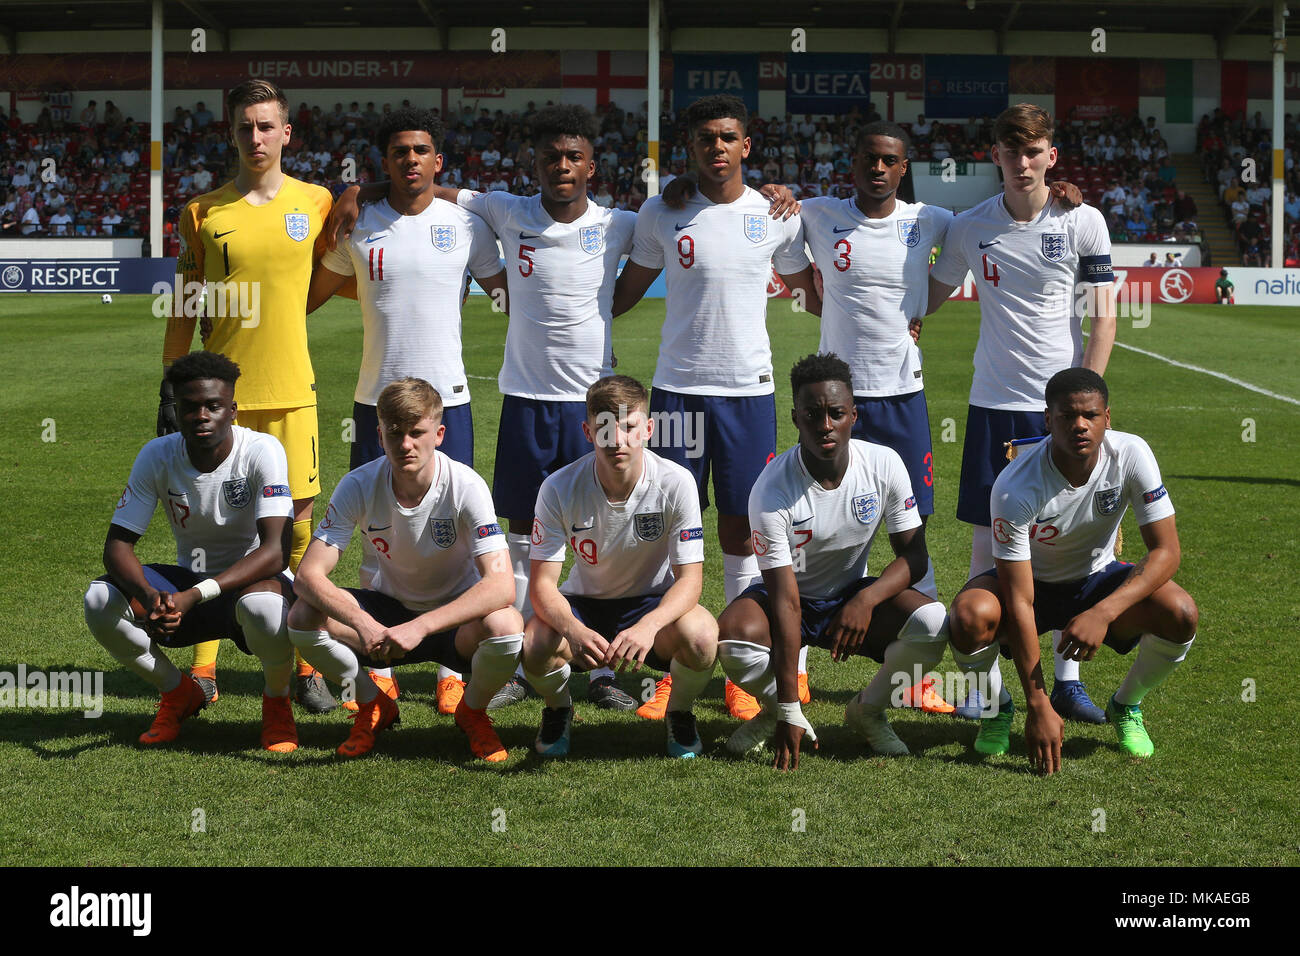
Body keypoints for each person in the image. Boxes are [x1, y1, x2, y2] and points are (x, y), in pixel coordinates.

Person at [331, 105, 644, 713]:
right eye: (551, 156)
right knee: (526, 536)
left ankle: (598, 665)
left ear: (591, 166)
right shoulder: (504, 209)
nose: (562, 166)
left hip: (593, 402)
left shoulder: (620, 224)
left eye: (573, 157)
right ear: (535, 163)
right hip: (527, 400)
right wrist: (358, 187)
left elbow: (676, 214)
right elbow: (422, 182)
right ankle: (529, 659)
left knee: (597, 538)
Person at [612, 94, 821, 721]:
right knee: (674, 524)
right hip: (676, 389)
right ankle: (670, 669)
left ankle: (741, 662)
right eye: (705, 138)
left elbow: (811, 289)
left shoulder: (776, 214)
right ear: (692, 148)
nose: (717, 147)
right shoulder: (662, 211)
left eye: (728, 137)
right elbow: (620, 295)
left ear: (746, 146)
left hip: (748, 392)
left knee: (743, 525)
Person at [306, 107, 509, 712]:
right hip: (376, 401)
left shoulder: (466, 225)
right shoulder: (361, 222)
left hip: (449, 402)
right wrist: (343, 206)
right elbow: (308, 296)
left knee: (454, 533)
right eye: (399, 152)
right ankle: (382, 660)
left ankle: (452, 667)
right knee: (377, 533)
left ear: (437, 161)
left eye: (421, 150)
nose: (411, 160)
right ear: (385, 162)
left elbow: (504, 290)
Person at [926, 102, 1116, 725]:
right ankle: (989, 691)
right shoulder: (968, 225)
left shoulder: (1084, 221)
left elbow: (1103, 315)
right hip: (993, 404)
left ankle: (1068, 679)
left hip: (1059, 412)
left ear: (1051, 156)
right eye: (1013, 151)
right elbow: (931, 290)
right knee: (988, 546)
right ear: (997, 156)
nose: (1024, 161)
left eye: (1035, 151)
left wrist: (1088, 395)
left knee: (1071, 546)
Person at [163, 78, 337, 714]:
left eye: (267, 126)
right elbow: (184, 303)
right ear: (231, 132)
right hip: (220, 397)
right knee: (216, 522)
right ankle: (205, 663)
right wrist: (172, 381)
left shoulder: (316, 202)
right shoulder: (204, 212)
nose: (256, 137)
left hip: (293, 393)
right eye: (245, 127)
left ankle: (302, 656)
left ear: (286, 132)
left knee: (294, 525)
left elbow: (338, 274)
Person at [947, 369, 1198, 774]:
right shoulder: (1015, 486)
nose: (1080, 425)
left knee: (1180, 612)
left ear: (1107, 418)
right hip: (1034, 586)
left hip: (1098, 580)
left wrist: (1103, 612)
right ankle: (998, 709)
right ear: (1048, 420)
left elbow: (1166, 552)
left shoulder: (1132, 454)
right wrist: (1038, 702)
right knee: (968, 615)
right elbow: (1020, 599)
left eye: (1091, 415)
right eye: (1067, 416)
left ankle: (1125, 705)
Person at [716, 353, 949, 770]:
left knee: (932, 624)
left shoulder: (884, 464)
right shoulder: (771, 491)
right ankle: (775, 712)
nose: (825, 425)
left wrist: (865, 601)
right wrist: (789, 703)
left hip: (848, 596)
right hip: (788, 598)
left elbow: (914, 557)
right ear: (795, 418)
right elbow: (786, 601)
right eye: (813, 414)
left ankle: (868, 711)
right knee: (733, 638)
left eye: (836, 413)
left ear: (853, 415)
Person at [286, 378, 525, 762]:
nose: (406, 444)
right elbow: (308, 576)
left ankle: (473, 712)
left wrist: (422, 626)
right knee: (303, 615)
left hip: (454, 623)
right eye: (394, 433)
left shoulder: (466, 485)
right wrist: (364, 624)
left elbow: (501, 586)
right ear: (380, 435)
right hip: (387, 615)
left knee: (507, 626)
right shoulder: (358, 484)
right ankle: (372, 704)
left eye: (417, 433)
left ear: (440, 433)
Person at [83, 351, 299, 752]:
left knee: (265, 611)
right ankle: (178, 692)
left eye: (213, 406)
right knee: (99, 599)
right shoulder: (157, 454)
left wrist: (193, 595)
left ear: (232, 410)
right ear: (177, 410)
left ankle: (276, 700)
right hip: (188, 585)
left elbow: (275, 554)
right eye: (190, 406)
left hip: (252, 582)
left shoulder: (262, 450)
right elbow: (117, 547)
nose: (202, 415)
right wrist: (151, 597)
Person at [523, 375, 717, 757]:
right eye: (605, 430)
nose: (618, 441)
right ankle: (558, 709)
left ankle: (679, 712)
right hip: (585, 604)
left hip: (651, 604)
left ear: (647, 428)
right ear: (587, 431)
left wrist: (648, 626)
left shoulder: (676, 483)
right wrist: (573, 629)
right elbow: (543, 584)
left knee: (702, 638)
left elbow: (690, 581)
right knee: (534, 643)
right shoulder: (559, 488)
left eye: (628, 428)